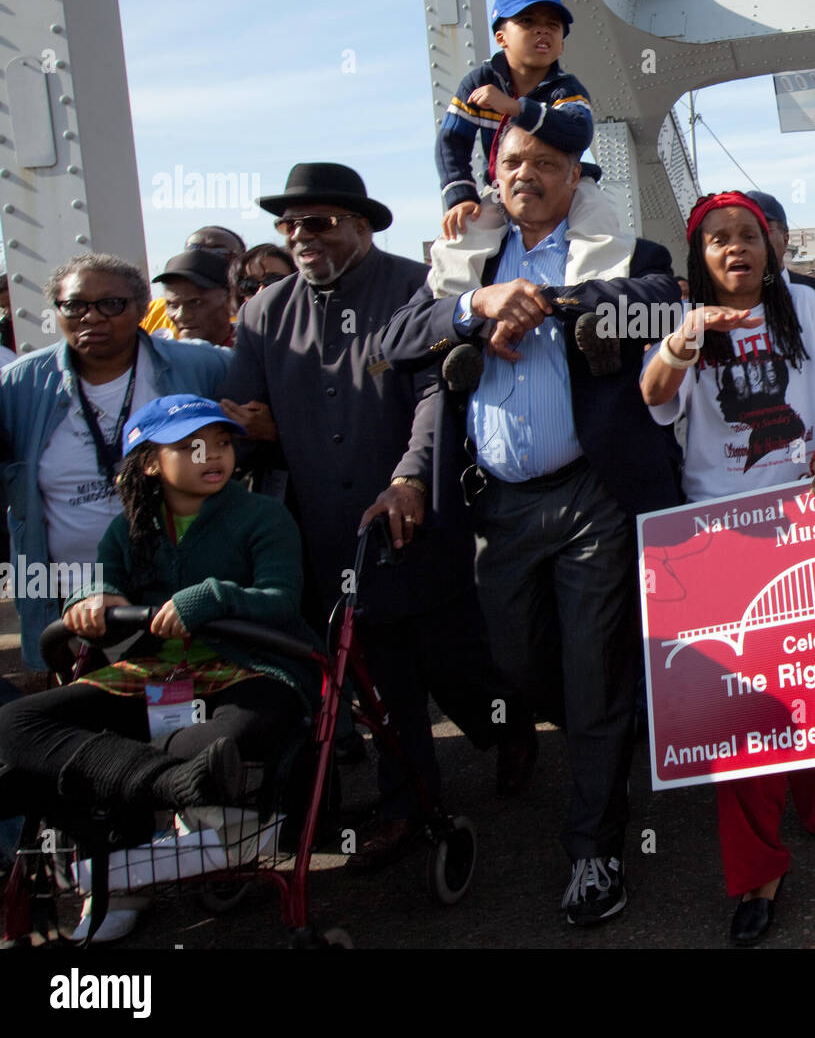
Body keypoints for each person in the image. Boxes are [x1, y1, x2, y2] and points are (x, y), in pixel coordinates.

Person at [380, 122, 681, 926]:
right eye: (512, 161)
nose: (526, 174)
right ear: (491, 171)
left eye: (546, 162)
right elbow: (394, 343)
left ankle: (594, 849)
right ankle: (608, 733)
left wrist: (550, 298)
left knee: (592, 671)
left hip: (593, 499)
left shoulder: (623, 251)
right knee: (514, 663)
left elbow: (661, 306)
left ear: (576, 174)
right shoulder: (467, 261)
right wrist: (478, 305)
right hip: (499, 506)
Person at [220, 163, 533, 873]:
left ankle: (510, 727)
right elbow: (245, 409)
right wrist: (242, 426)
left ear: (362, 226)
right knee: (381, 674)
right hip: (330, 530)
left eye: (321, 221)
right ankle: (407, 804)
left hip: (417, 515)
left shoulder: (413, 286)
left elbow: (436, 394)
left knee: (456, 659)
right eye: (291, 225)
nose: (304, 236)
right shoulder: (264, 311)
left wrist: (410, 477)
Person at [0, 394, 317, 941]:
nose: (211, 454)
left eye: (221, 442)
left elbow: (281, 598)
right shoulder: (127, 530)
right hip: (153, 675)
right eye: (191, 445)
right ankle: (153, 818)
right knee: (14, 726)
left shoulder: (262, 515)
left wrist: (212, 596)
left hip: (249, 667)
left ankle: (133, 848)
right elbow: (104, 580)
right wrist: (96, 598)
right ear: (149, 462)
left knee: (219, 743)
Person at [641, 191, 815, 946]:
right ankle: (758, 875)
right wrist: (684, 342)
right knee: (738, 713)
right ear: (699, 256)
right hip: (714, 536)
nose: (736, 248)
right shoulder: (684, 320)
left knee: (812, 677)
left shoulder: (808, 308)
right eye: (718, 240)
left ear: (772, 245)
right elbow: (652, 396)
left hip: (805, 524)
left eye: (749, 236)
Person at [0, 255, 229, 673]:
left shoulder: (202, 367)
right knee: (88, 724)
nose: (92, 317)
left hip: (182, 595)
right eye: (74, 305)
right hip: (74, 606)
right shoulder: (19, 386)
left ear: (143, 309)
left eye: (112, 304)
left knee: (185, 722)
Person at [429, 0, 631, 330]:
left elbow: (578, 132)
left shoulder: (566, 88)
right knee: (463, 237)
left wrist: (517, 108)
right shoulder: (478, 81)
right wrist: (460, 195)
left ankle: (591, 318)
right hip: (506, 188)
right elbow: (451, 140)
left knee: (598, 226)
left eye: (553, 26)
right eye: (527, 21)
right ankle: (459, 328)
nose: (542, 30)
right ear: (501, 36)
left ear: (562, 43)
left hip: (568, 184)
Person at [745, 190, 815, 302]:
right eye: (745, 233)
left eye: (764, 229)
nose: (754, 238)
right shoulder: (725, 302)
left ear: (785, 239)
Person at [141, 227, 245, 337]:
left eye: (220, 252)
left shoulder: (251, 312)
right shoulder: (155, 310)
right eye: (195, 249)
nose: (203, 257)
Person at [152, 250, 236, 347]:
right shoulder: (159, 357)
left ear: (230, 302)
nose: (181, 315)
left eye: (195, 302)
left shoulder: (253, 354)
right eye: (173, 305)